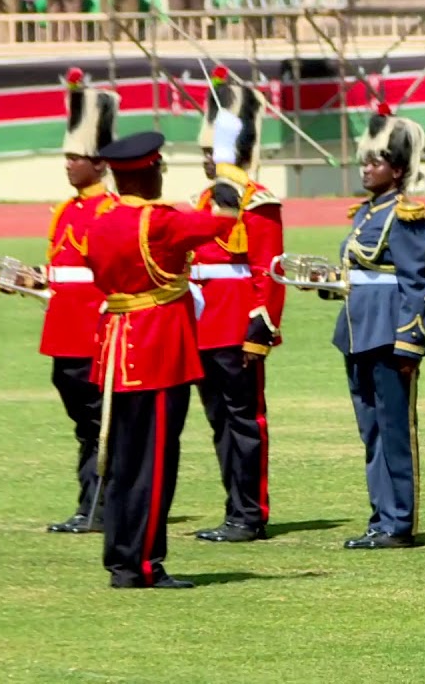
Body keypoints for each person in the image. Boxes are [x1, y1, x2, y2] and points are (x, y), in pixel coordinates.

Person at [85, 128, 240, 589]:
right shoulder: (159, 221)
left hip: (116, 344)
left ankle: (121, 557)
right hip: (157, 352)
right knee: (153, 465)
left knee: (123, 461)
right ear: (150, 172)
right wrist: (227, 190)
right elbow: (219, 224)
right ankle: (142, 564)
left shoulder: (100, 219)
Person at [320, 103, 425, 550]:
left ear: (398, 168)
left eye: (377, 160)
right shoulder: (365, 213)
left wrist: (409, 342)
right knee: (371, 431)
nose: (367, 167)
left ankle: (399, 520)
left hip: (388, 333)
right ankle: (380, 514)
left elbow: (414, 282)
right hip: (357, 329)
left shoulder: (404, 215)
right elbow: (357, 273)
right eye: (365, 159)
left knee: (394, 431)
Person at [188, 66, 285, 544]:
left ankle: (250, 513)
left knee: (245, 422)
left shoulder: (257, 201)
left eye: (212, 150)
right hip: (205, 324)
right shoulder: (204, 198)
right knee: (219, 423)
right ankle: (233, 508)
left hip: (237, 326)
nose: (206, 159)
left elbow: (269, 269)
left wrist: (260, 331)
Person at [37, 67, 119, 534]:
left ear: (101, 163)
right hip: (62, 334)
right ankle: (90, 502)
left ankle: (101, 507)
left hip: (94, 334)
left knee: (100, 425)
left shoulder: (109, 210)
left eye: (78, 156)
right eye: (67, 156)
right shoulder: (65, 210)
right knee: (84, 426)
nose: (69, 164)